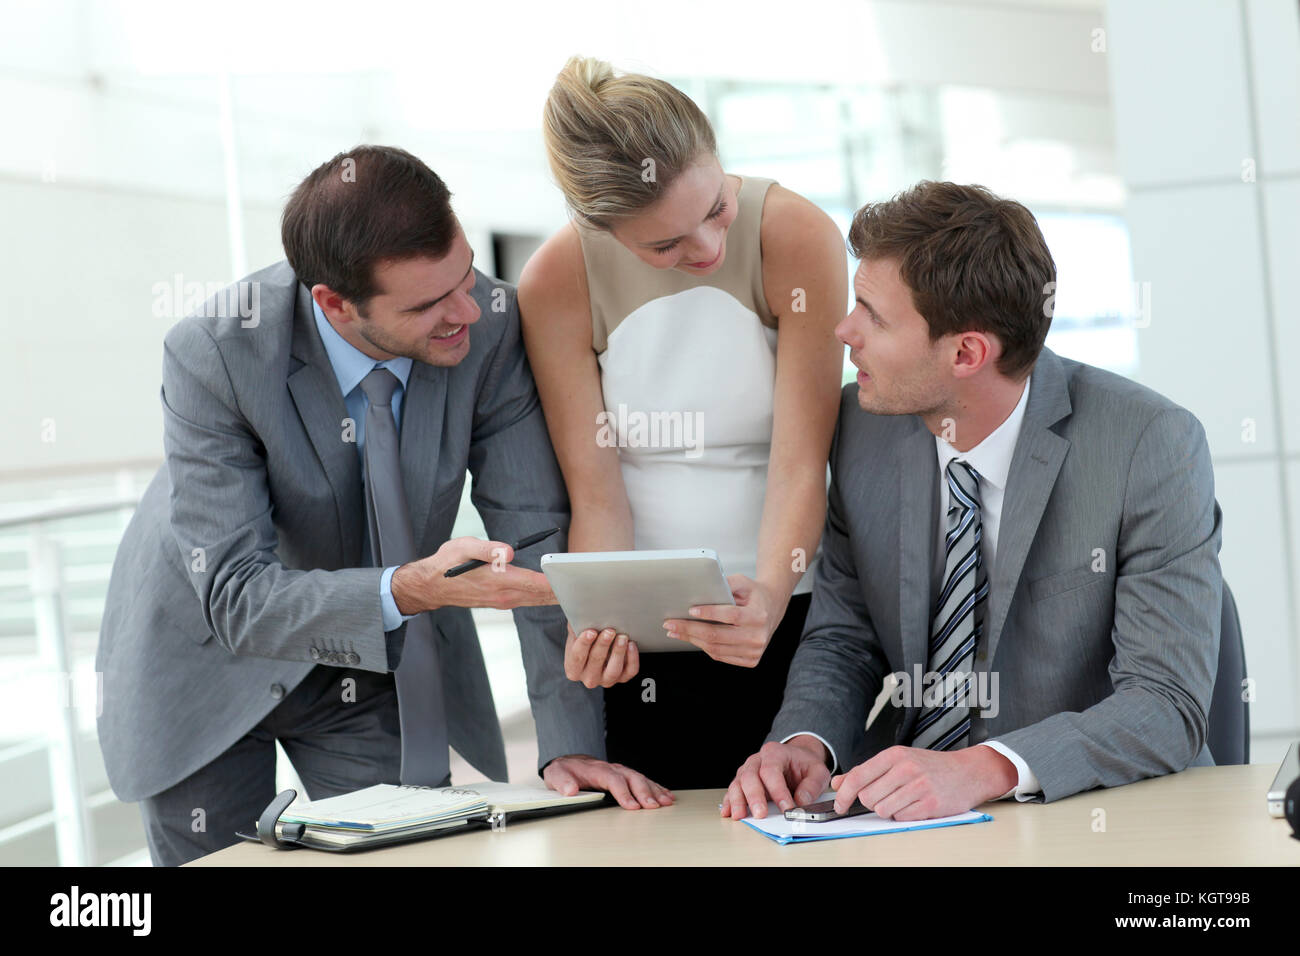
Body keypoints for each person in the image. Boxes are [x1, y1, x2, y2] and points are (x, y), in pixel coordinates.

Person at [97, 145, 666, 867]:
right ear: (333, 302)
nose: (466, 310)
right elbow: (236, 594)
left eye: (463, 277)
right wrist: (406, 588)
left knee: (414, 856)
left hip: (373, 661)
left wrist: (569, 746)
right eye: (429, 304)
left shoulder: (487, 324)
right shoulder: (215, 353)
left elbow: (536, 543)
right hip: (206, 658)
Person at [722, 181, 1223, 822]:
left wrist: (981, 769)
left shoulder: (1148, 445)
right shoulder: (859, 428)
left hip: (1090, 815)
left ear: (967, 353)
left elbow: (1165, 703)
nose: (843, 330)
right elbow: (843, 638)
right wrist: (802, 741)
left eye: (873, 315)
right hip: (900, 820)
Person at [517, 57, 847, 793]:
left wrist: (767, 591)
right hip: (647, 634)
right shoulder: (555, 279)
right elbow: (596, 491)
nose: (706, 249)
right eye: (665, 246)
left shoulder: (797, 234)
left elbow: (802, 462)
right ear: (597, 226)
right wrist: (600, 620)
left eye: (716, 210)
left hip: (790, 603)